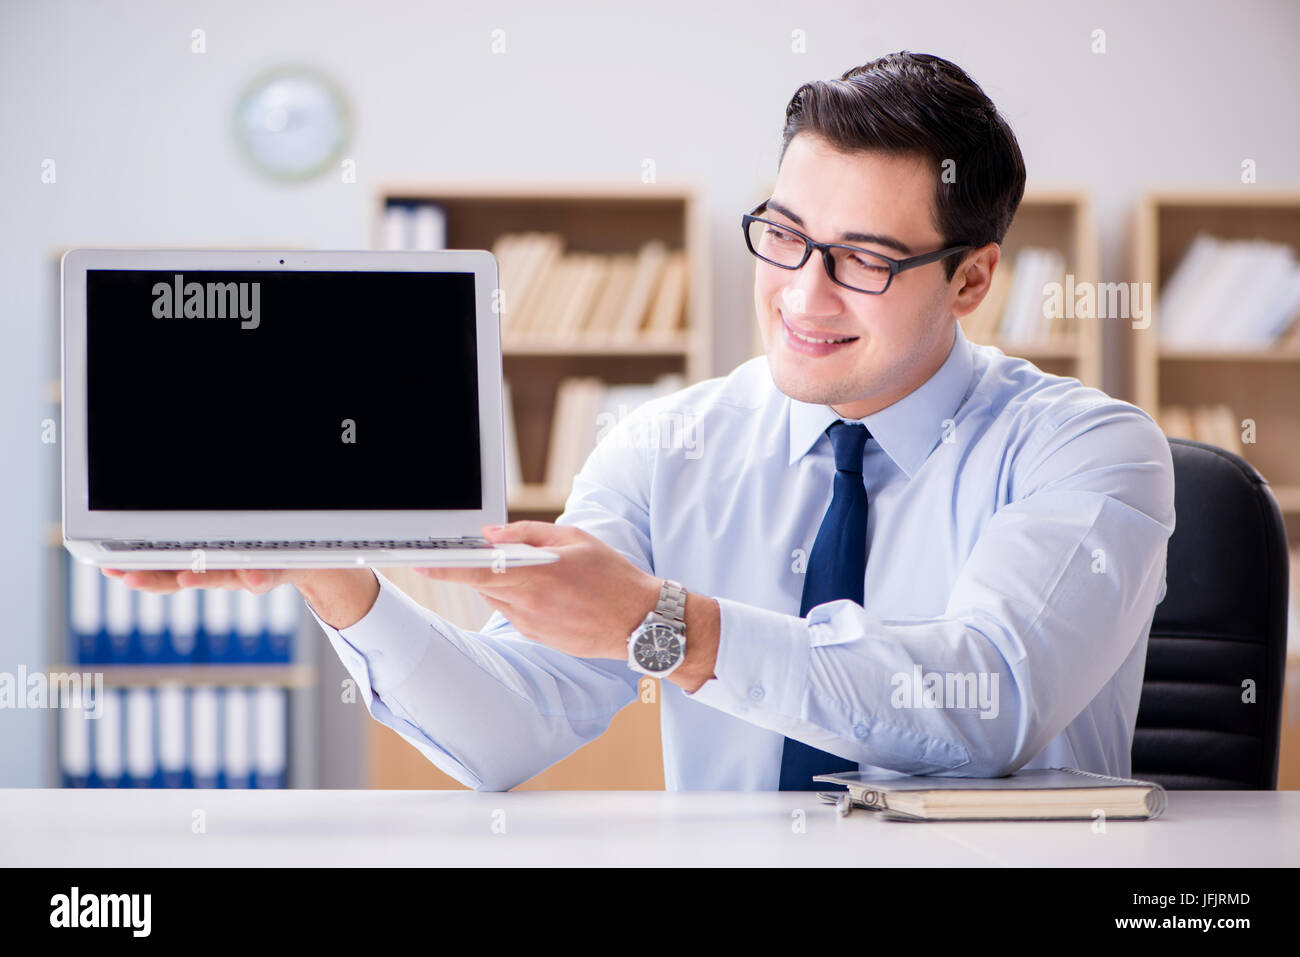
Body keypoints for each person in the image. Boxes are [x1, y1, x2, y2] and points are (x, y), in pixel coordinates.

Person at [109, 51, 1174, 791]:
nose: (802, 297)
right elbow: (504, 735)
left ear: (972, 278)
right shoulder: (667, 451)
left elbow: (980, 706)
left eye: (864, 260)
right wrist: (335, 577)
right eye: (786, 237)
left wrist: (666, 626)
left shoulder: (1087, 451)